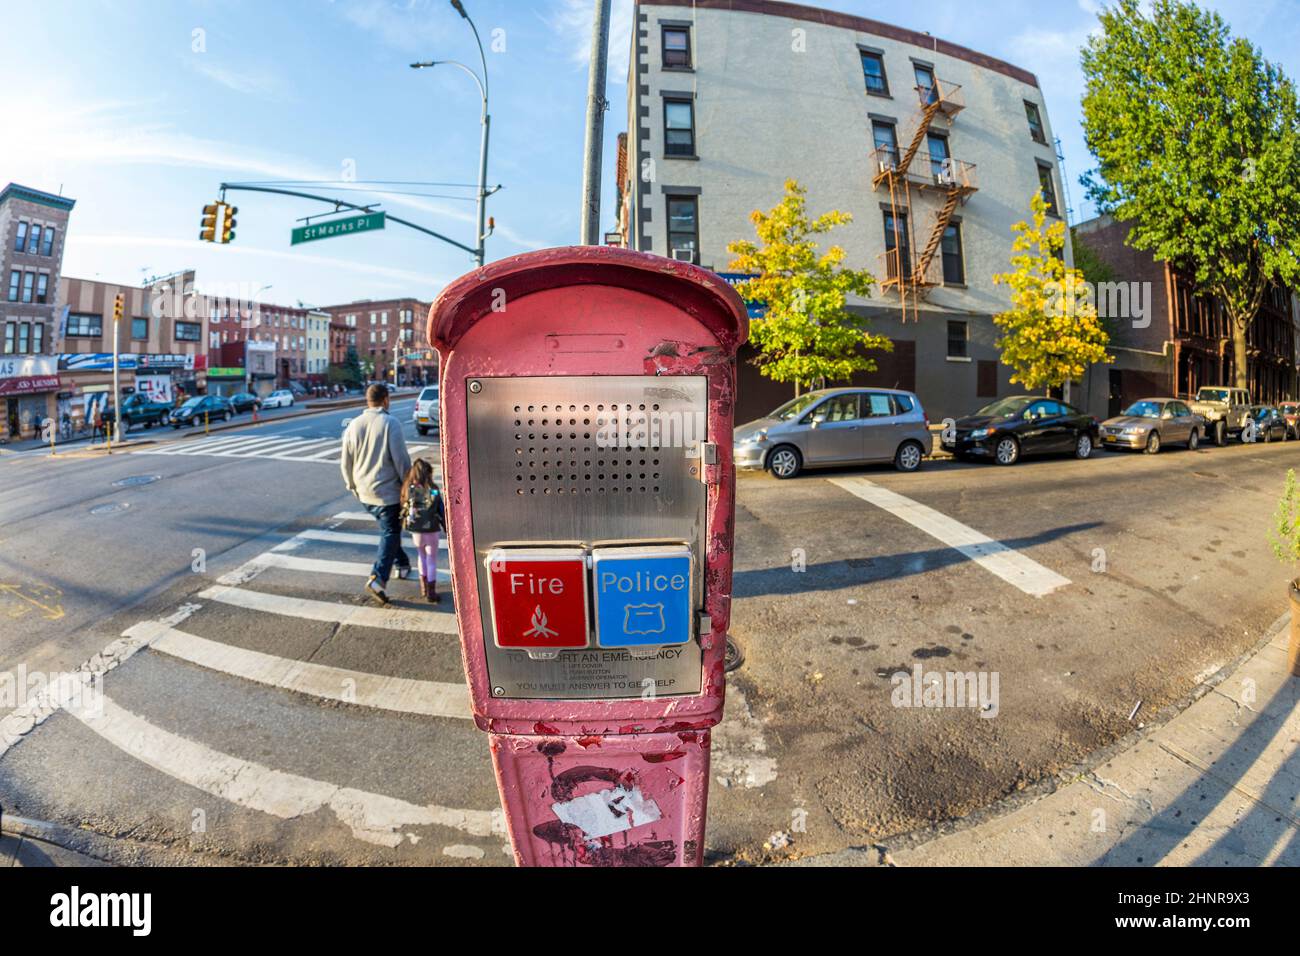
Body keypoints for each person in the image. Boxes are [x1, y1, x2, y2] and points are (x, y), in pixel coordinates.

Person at [340, 383, 413, 605]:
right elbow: (401, 461)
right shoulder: (390, 423)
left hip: (363, 493)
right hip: (387, 493)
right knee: (390, 532)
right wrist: (407, 486)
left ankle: (402, 564)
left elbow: (346, 461)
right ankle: (378, 578)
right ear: (386, 399)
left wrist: (351, 485)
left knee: (388, 530)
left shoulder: (354, 424)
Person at [400, 459, 446, 604]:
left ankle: (423, 589)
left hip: (416, 530)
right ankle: (431, 593)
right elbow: (441, 510)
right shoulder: (433, 490)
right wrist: (446, 526)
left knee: (421, 557)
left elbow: (404, 506)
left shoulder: (409, 489)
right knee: (431, 559)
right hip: (431, 529)